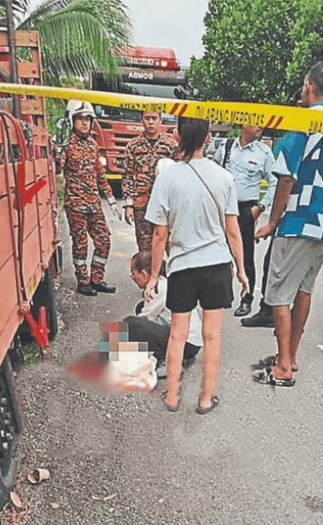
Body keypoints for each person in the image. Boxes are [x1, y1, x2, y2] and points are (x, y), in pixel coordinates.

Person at [252, 62, 323, 386]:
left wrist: (272, 221)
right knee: (304, 291)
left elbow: (286, 177)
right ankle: (290, 357)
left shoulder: (304, 121)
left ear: (308, 86)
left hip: (298, 220)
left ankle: (282, 367)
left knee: (279, 294)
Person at [144, 116, 248, 414]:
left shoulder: (167, 177)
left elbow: (160, 234)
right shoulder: (224, 177)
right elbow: (232, 232)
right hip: (216, 266)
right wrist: (241, 271)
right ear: (208, 137)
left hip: (182, 267)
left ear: (176, 136)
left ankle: (173, 395)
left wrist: (153, 276)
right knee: (212, 335)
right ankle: (205, 399)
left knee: (178, 333)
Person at [57, 100, 120, 296]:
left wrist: (110, 200)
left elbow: (100, 175)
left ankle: (97, 279)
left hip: (93, 203)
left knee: (104, 240)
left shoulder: (93, 145)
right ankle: (83, 281)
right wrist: (56, 153)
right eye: (80, 119)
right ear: (72, 120)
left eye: (88, 119)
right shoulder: (66, 146)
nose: (85, 123)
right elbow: (57, 170)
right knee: (81, 243)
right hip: (75, 204)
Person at [215, 125, 277, 317]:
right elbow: (213, 173)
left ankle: (247, 298)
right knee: (217, 253)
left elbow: (274, 181)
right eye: (256, 123)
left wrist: (260, 208)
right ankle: (219, 295)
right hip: (222, 207)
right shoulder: (226, 147)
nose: (260, 128)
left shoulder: (264, 153)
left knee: (246, 256)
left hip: (245, 209)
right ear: (244, 125)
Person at [125, 250, 201, 379]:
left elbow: (144, 319)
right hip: (191, 340)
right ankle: (172, 355)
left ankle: (169, 361)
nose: (133, 278)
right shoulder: (164, 281)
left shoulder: (159, 288)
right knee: (141, 307)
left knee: (130, 324)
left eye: (133, 274)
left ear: (144, 274)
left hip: (186, 343)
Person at [122, 110, 178, 253]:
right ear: (141, 120)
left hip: (166, 205)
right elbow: (128, 175)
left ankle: (170, 275)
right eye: (147, 118)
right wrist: (129, 205)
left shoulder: (171, 145)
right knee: (145, 249)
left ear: (160, 120)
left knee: (171, 246)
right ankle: (148, 275)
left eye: (154, 118)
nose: (151, 122)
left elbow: (179, 175)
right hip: (142, 205)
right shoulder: (133, 146)